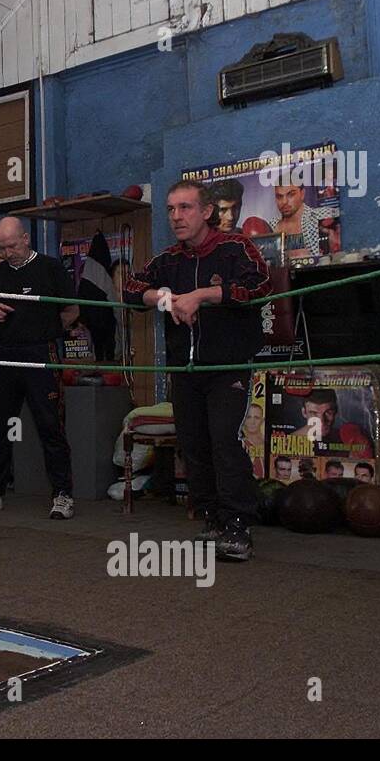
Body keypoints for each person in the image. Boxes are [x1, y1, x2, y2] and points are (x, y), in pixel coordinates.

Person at [124, 179, 271, 561]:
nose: (176, 216)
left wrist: (202, 295)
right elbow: (129, 289)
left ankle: (238, 524)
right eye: (171, 209)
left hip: (228, 367)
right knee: (194, 444)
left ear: (206, 212)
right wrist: (160, 296)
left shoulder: (236, 248)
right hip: (184, 370)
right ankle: (210, 517)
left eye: (185, 208)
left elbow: (260, 286)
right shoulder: (168, 260)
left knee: (224, 439)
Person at [0, 216, 79, 519]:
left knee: (50, 425)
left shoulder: (50, 268)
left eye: (12, 246)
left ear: (26, 239)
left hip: (41, 353)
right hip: (5, 355)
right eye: (1, 247)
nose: (7, 252)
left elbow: (72, 310)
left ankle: (63, 494)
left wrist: (48, 331)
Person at [288, 388, 372, 458]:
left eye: (328, 412)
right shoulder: (288, 444)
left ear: (336, 411)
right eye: (314, 413)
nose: (321, 421)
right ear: (304, 413)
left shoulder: (344, 437)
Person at [269, 182, 323, 259]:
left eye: (291, 195)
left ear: (302, 194)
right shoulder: (270, 226)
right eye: (279, 197)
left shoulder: (320, 217)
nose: (284, 202)